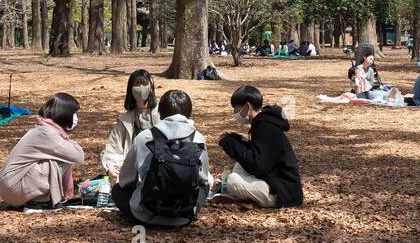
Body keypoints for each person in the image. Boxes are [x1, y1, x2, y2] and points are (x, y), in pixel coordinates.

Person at [112, 89, 213, 228]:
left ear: (160, 113)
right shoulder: (198, 138)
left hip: (145, 214)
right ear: (188, 114)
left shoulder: (145, 137)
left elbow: (126, 180)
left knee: (117, 190)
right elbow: (204, 179)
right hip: (184, 215)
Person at [216, 85, 303, 208]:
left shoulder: (264, 127)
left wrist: (231, 143)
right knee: (238, 166)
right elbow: (260, 155)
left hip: (282, 194)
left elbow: (257, 165)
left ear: (247, 106)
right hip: (277, 183)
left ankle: (249, 197)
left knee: (232, 181)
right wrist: (242, 141)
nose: (235, 113)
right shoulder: (264, 123)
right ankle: (245, 196)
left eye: (236, 108)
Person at [0, 93, 85, 212]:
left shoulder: (44, 129)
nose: (75, 117)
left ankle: (39, 198)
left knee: (61, 156)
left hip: (11, 189)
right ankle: (38, 202)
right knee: (62, 160)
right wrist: (69, 141)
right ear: (64, 113)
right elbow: (78, 157)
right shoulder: (47, 133)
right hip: (15, 189)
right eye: (74, 113)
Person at [101, 69, 161, 179]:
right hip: (133, 172)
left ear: (151, 86)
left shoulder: (162, 112)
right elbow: (114, 147)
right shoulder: (124, 120)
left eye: (144, 83)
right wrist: (112, 167)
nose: (141, 88)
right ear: (130, 89)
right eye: (137, 84)